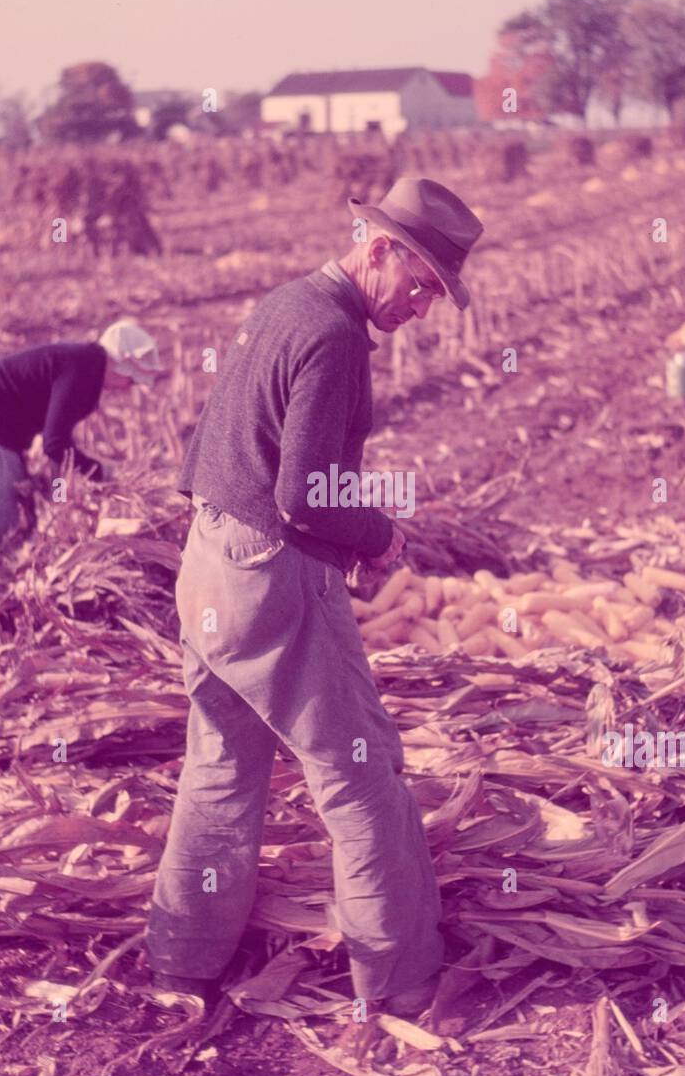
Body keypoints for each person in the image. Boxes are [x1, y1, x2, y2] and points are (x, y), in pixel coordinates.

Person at [146, 177, 484, 1017]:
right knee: (363, 777)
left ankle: (182, 965)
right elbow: (303, 492)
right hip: (271, 574)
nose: (424, 307)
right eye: (421, 284)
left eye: (437, 295)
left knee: (220, 768)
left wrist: (335, 539)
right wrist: (376, 536)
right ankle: (405, 984)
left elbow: (213, 453)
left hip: (207, 563)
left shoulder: (283, 303)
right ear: (378, 248)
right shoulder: (334, 336)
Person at [0, 318, 163, 545]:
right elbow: (54, 445)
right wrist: (104, 473)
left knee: (17, 530)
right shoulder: (81, 370)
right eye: (131, 381)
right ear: (119, 366)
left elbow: (57, 446)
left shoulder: (84, 365)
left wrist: (58, 498)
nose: (128, 388)